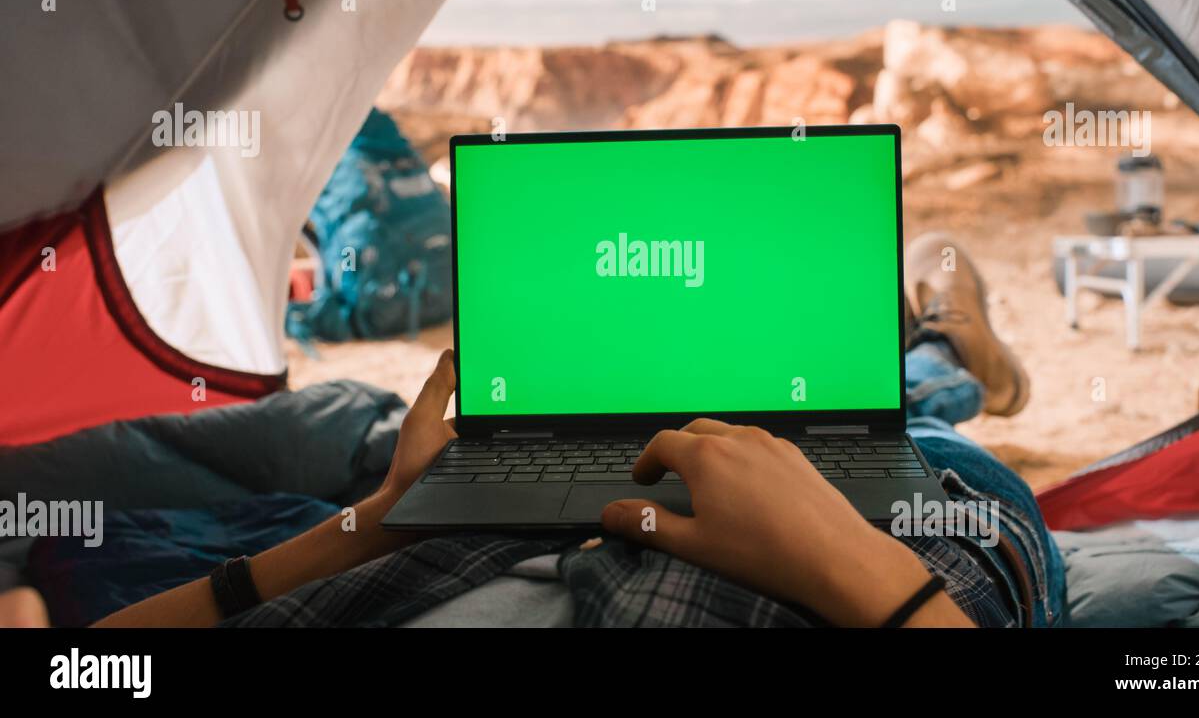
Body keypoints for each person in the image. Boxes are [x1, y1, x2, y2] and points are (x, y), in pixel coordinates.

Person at [10, 233, 1064, 628]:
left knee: (757, 417)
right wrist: (858, 571)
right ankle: (940, 338)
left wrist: (372, 524)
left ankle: (926, 344)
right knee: (891, 427)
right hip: (923, 552)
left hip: (509, 541)